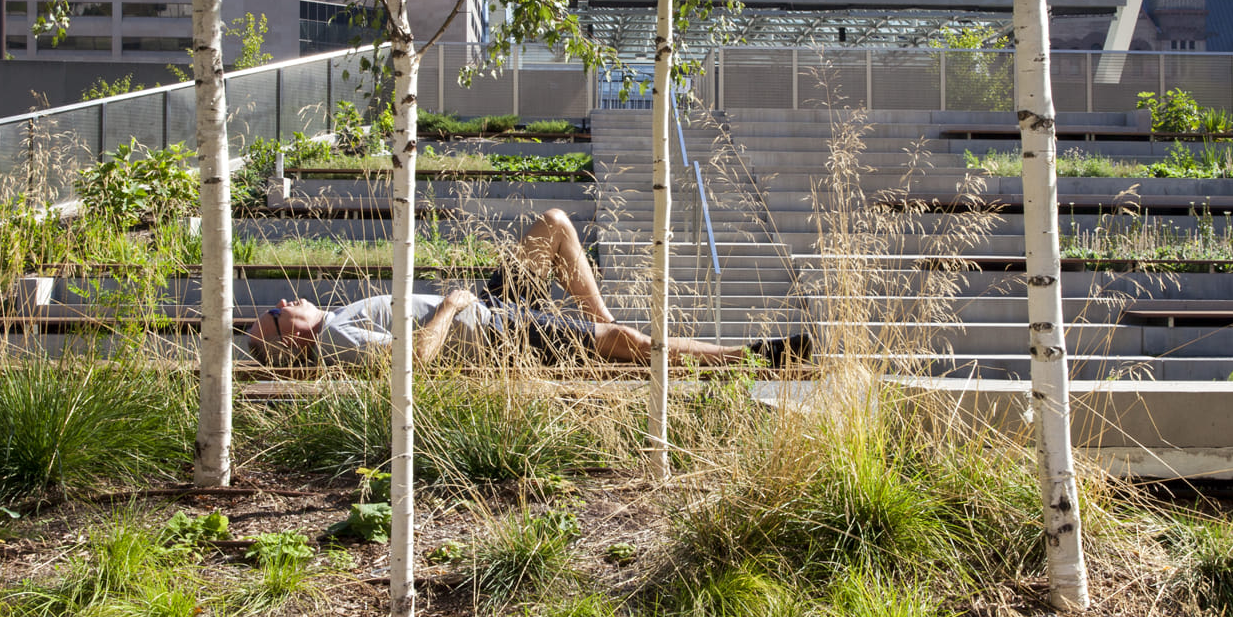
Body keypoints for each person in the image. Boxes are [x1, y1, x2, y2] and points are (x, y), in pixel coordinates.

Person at [245, 209, 810, 369]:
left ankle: (604, 334)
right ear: (290, 342)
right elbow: (414, 356)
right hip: (492, 330)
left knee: (556, 225)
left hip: (484, 309)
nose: (283, 300)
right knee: (618, 339)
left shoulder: (335, 321)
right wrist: (448, 306)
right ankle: (751, 358)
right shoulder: (336, 338)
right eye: (274, 313)